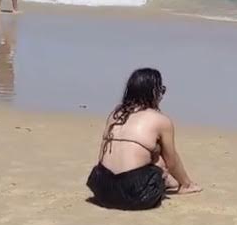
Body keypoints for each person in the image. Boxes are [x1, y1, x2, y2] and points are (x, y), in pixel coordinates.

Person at [86, 68, 201, 209]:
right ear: (153, 93)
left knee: (145, 150)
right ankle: (179, 184)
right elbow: (172, 161)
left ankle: (167, 181)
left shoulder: (115, 114)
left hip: (102, 189)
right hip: (135, 194)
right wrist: (186, 184)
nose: (161, 96)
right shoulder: (161, 121)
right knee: (160, 157)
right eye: (161, 91)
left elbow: (102, 154)